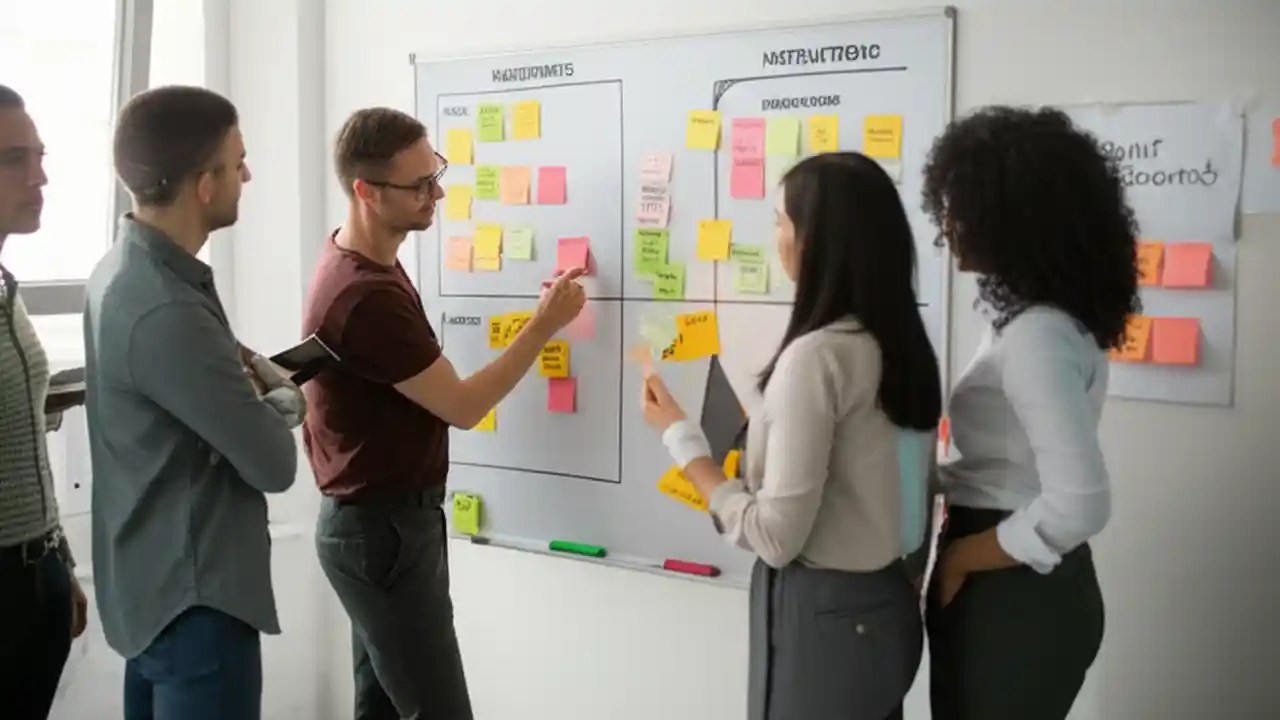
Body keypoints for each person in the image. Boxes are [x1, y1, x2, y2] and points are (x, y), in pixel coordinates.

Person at [301, 106, 586, 720]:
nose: (438, 193)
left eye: (437, 174)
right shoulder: (366, 295)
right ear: (365, 192)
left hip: (378, 526)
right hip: (383, 535)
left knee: (382, 708)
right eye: (420, 185)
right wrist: (545, 325)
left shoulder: (357, 256)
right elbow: (463, 405)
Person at [640, 152, 942, 720]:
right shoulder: (902, 344)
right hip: (886, 608)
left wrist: (683, 441)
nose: (776, 237)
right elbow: (905, 504)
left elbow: (776, 536)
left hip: (823, 618)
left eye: (781, 221)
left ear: (818, 240)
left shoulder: (817, 356)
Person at [83, 85, 305, 720]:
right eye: (238, 162)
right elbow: (274, 464)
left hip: (149, 593)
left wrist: (241, 386)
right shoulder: (166, 308)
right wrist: (280, 396)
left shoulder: (118, 272)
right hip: (196, 603)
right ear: (204, 184)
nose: (248, 175)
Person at [920, 106, 1140, 719]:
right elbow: (1007, 460)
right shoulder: (1040, 320)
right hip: (1021, 579)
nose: (949, 222)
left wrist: (964, 556)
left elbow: (1080, 503)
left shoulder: (1035, 336)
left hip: (1012, 585)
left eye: (961, 207)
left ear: (1011, 220)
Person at [0, 83, 89, 720]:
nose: (40, 176)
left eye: (40, 154)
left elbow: (25, 432)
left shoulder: (6, 288)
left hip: (37, 572)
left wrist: (58, 555)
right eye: (14, 160)